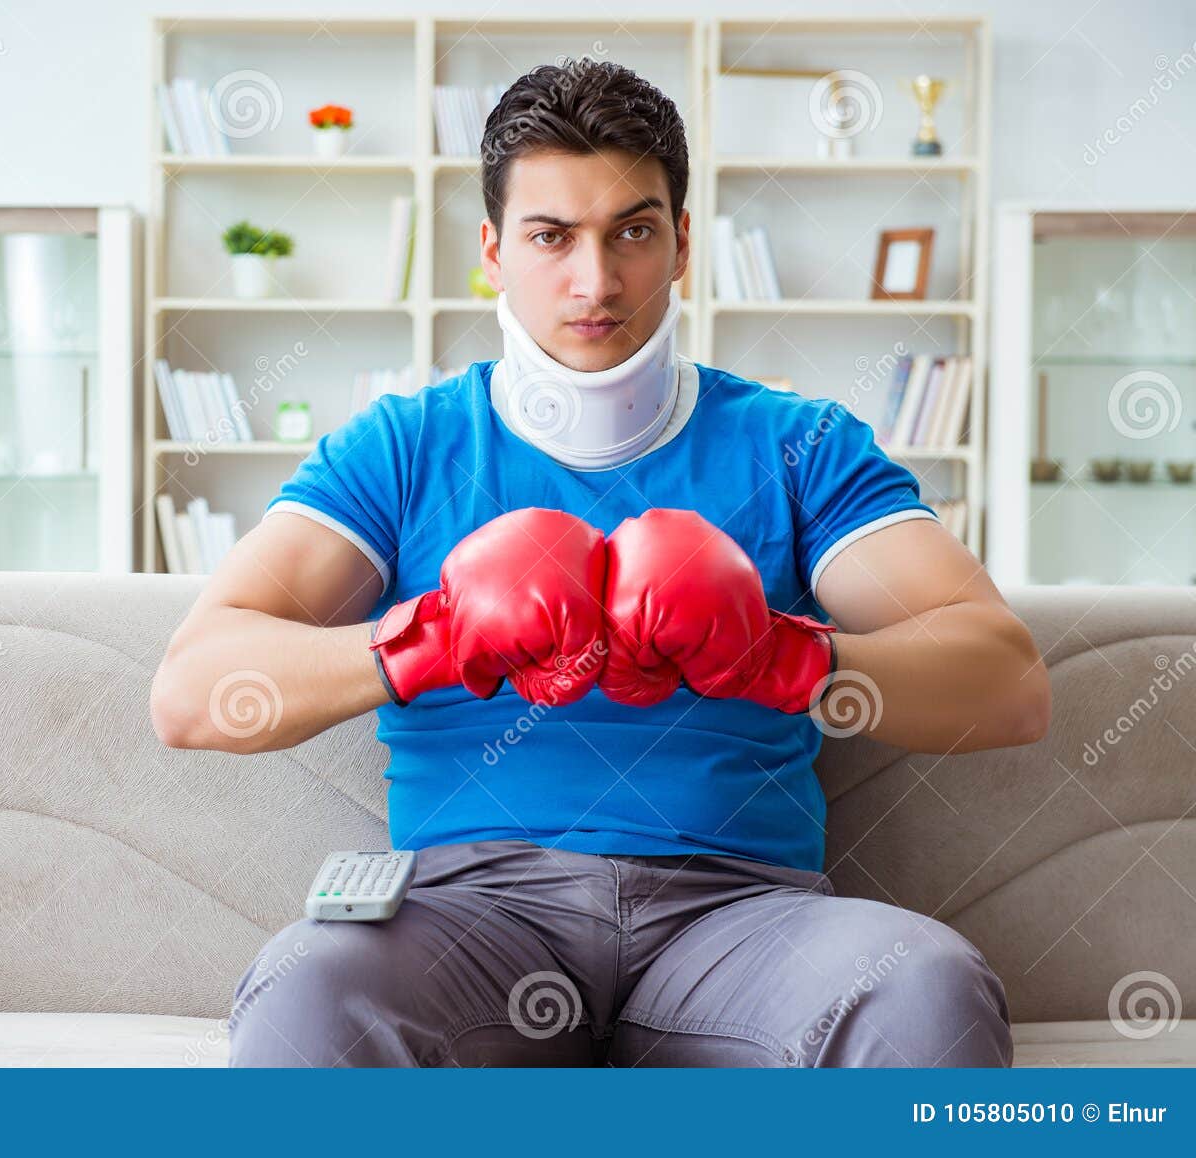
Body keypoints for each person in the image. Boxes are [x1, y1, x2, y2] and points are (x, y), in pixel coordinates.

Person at [150, 58, 1050, 1067]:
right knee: (306, 993)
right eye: (550, 236)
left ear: (680, 247)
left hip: (741, 917)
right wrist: (424, 640)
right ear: (491, 251)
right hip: (467, 920)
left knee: (923, 989)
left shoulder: (796, 444)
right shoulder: (404, 447)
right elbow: (191, 691)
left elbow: (1007, 683)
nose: (596, 279)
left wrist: (778, 656)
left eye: (632, 229)